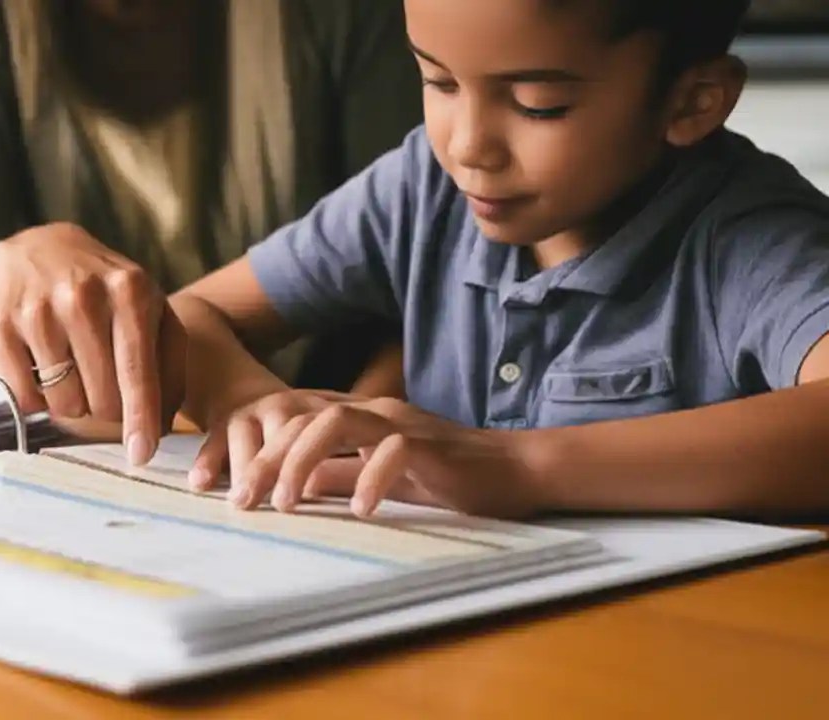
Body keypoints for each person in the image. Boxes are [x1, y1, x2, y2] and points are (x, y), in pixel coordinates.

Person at [163, 0, 829, 519]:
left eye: (538, 105)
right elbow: (191, 316)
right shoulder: (422, 190)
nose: (468, 146)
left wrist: (523, 466)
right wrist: (253, 403)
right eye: (439, 80)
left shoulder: (748, 237)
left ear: (692, 101)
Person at [0, 0, 423, 465]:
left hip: (311, 461)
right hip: (90, 463)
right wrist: (7, 276)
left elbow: (419, 275)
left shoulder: (345, 15)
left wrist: (347, 439)